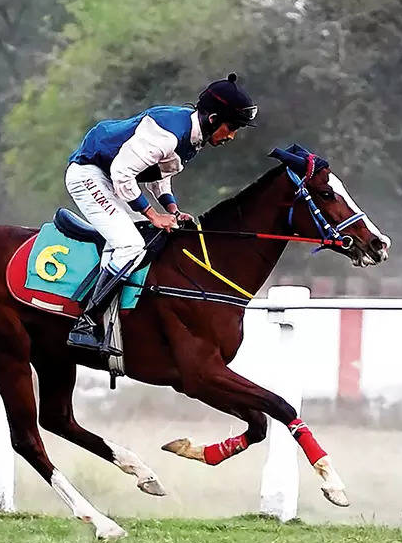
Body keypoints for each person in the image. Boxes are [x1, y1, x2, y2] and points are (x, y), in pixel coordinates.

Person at [64, 73, 258, 355]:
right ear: (214, 119)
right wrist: (153, 215)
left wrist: (172, 209)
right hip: (90, 174)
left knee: (145, 238)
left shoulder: (192, 134)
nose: (232, 136)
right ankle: (86, 322)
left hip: (111, 177)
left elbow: (157, 174)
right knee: (130, 245)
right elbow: (123, 173)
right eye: (231, 127)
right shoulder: (167, 134)